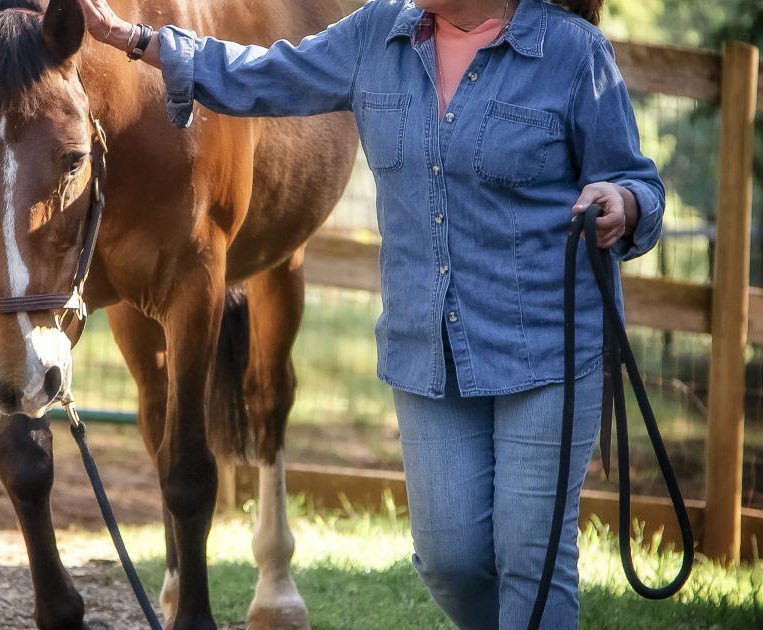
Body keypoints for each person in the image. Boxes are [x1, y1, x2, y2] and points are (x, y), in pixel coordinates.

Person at [77, 0, 664, 628]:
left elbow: (637, 181)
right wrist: (133, 39)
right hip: (429, 353)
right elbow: (259, 72)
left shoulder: (574, 55)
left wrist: (624, 201)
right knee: (449, 560)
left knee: (533, 561)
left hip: (545, 347)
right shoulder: (379, 35)